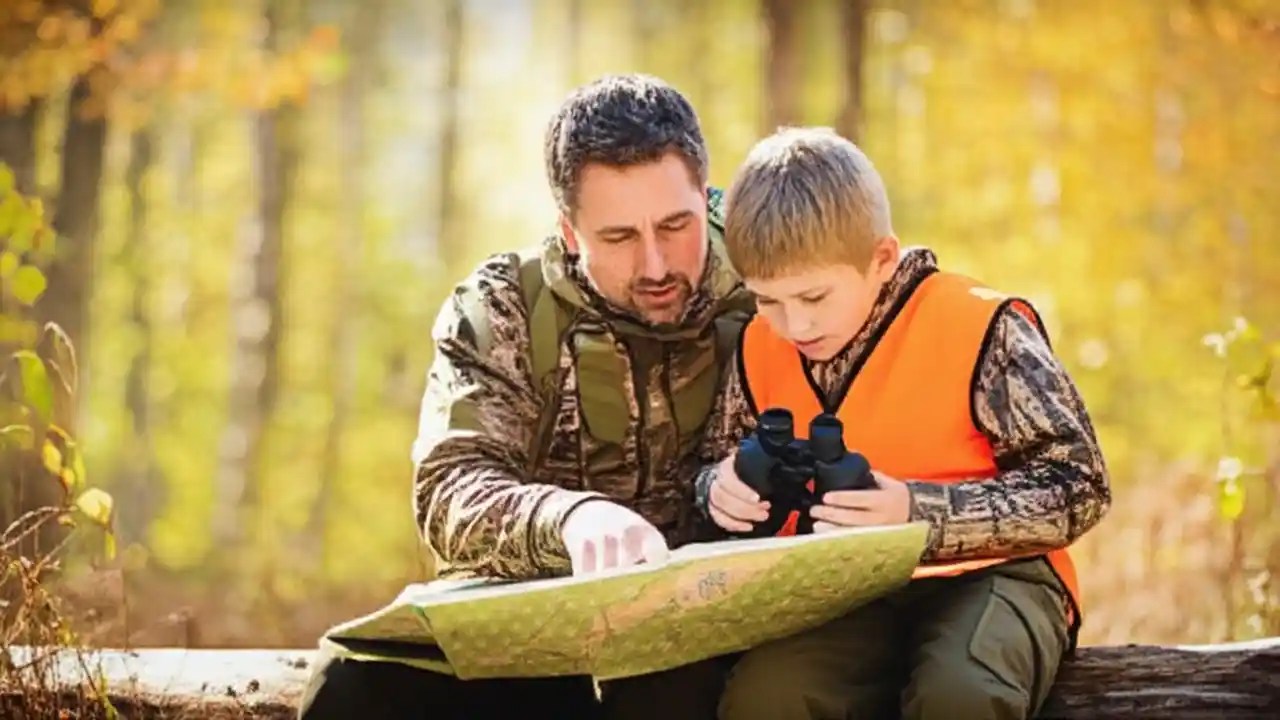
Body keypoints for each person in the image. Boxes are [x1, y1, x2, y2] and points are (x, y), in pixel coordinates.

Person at [297, 74, 754, 719]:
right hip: (537, 622)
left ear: (703, 194)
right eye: (619, 238)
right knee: (352, 680)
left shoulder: (777, 271)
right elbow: (448, 490)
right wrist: (570, 519)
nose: (655, 265)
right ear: (570, 233)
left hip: (716, 627)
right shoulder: (503, 304)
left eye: (676, 225)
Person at [693, 126, 1112, 720]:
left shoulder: (980, 326)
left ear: (882, 259)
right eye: (767, 300)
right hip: (838, 590)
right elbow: (715, 463)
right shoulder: (758, 345)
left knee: (958, 696)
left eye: (814, 298)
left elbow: (1081, 487)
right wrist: (720, 488)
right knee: (767, 700)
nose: (793, 325)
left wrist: (915, 513)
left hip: (996, 575)